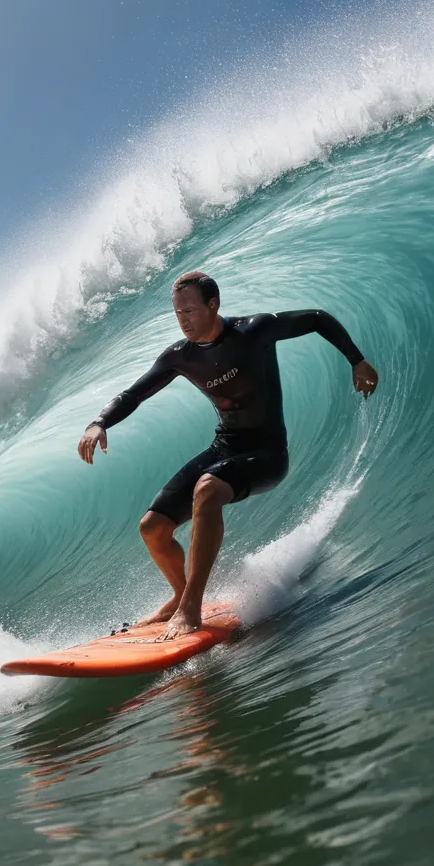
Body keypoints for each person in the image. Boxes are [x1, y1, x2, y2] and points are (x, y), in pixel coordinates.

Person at [77, 271, 378, 637]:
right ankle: (180, 595)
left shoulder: (254, 331)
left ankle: (191, 607)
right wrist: (100, 422)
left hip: (268, 452)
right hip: (225, 446)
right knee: (153, 528)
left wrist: (357, 360)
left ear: (213, 305)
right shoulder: (181, 356)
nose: (183, 320)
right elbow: (133, 394)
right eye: (178, 313)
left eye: (189, 311)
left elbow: (316, 319)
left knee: (207, 489)